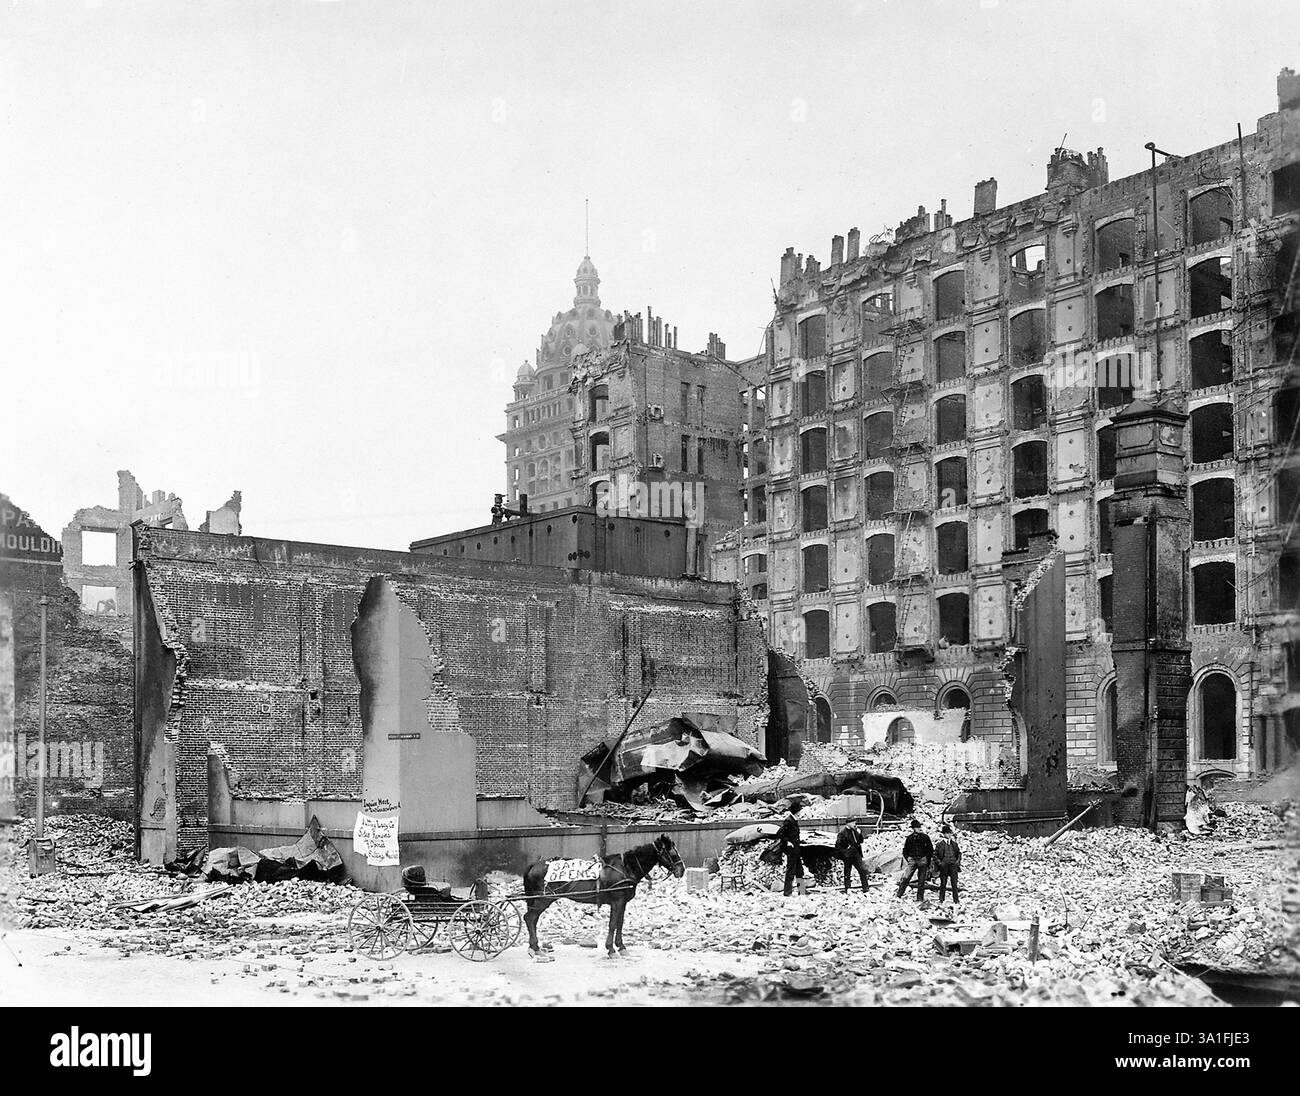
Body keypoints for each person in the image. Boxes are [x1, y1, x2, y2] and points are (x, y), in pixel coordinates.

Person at [896, 818, 933, 903]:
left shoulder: (925, 837)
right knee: (906, 878)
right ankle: (899, 895)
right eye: (916, 827)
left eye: (919, 827)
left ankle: (919, 898)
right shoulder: (909, 838)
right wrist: (908, 858)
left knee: (921, 880)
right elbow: (905, 850)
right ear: (913, 829)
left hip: (922, 860)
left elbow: (930, 850)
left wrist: (927, 859)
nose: (918, 829)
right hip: (912, 860)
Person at [777, 798, 806, 897]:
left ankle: (801, 891)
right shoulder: (788, 821)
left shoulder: (794, 819)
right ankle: (787, 892)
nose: (801, 812)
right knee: (791, 871)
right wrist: (788, 842)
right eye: (800, 811)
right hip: (791, 850)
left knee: (799, 871)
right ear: (797, 811)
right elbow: (780, 833)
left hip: (796, 850)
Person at [835, 817, 870, 893]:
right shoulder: (842, 833)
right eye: (853, 823)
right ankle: (847, 888)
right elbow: (838, 846)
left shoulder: (855, 831)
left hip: (856, 854)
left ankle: (866, 888)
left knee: (862, 870)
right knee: (847, 872)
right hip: (848, 856)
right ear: (848, 823)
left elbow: (860, 841)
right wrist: (845, 853)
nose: (855, 824)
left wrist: (860, 833)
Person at [933, 823, 962, 905]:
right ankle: (941, 899)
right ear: (944, 834)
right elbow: (934, 855)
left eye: (950, 833)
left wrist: (957, 862)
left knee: (954, 883)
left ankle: (956, 900)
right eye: (948, 833)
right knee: (943, 883)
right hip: (944, 865)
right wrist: (940, 863)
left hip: (953, 865)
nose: (949, 835)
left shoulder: (954, 844)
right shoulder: (940, 844)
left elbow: (959, 853)